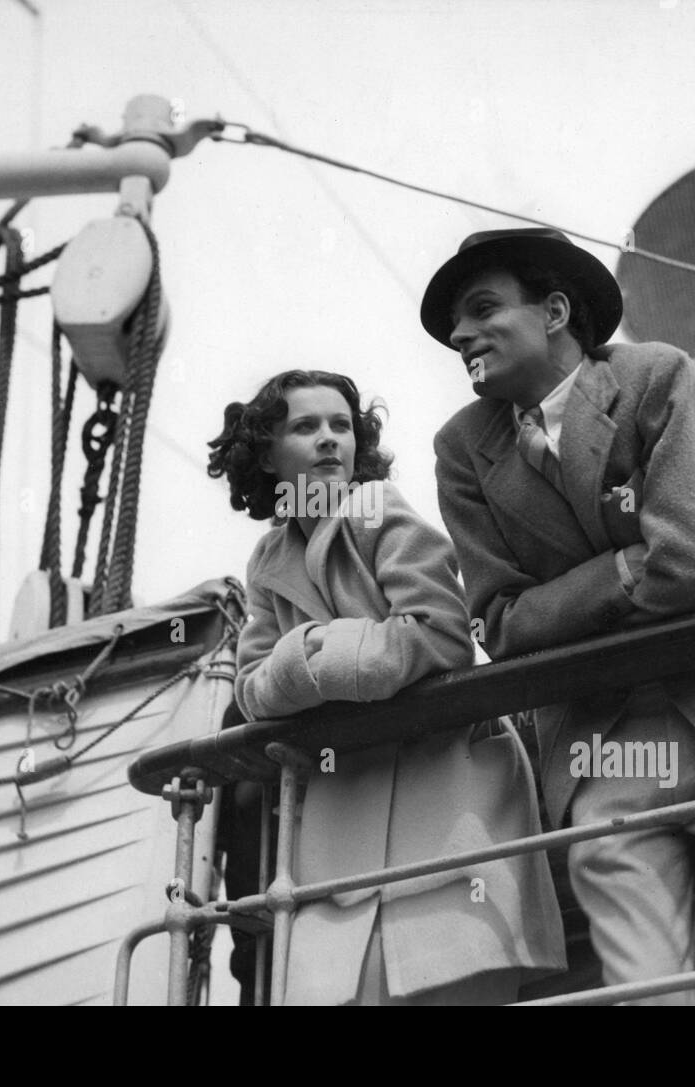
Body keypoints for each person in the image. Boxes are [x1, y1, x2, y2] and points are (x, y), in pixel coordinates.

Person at [425, 227, 695, 1005]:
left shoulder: (656, 378)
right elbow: (503, 624)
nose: (460, 335)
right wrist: (625, 564)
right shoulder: (462, 450)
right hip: (599, 753)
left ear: (554, 311)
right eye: (455, 326)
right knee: (647, 994)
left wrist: (574, 599)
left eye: (482, 309)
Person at [208, 369, 565, 1006]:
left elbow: (441, 635)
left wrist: (312, 657)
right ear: (265, 453)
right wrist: (330, 660)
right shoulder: (268, 559)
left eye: (341, 426)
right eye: (305, 426)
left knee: (449, 970)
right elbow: (253, 690)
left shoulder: (380, 511)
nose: (328, 441)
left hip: (448, 799)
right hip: (345, 816)